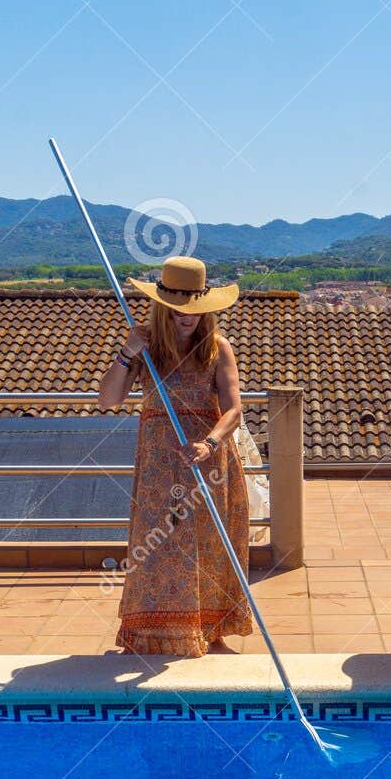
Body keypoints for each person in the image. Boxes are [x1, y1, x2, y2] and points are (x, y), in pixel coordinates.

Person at [97, 256, 252, 657]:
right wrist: (126, 354)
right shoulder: (145, 347)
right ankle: (156, 633)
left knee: (208, 547)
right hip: (158, 467)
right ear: (163, 307)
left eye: (195, 310)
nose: (188, 318)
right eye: (179, 309)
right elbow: (108, 398)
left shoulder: (217, 348)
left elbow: (234, 409)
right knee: (158, 548)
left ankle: (206, 631)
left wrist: (211, 442)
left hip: (207, 462)